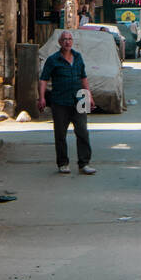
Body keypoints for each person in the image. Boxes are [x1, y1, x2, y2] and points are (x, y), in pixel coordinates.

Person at [39, 30, 96, 174]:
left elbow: (83, 77)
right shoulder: (53, 60)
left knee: (83, 131)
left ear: (72, 42)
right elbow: (44, 79)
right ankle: (63, 163)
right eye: (64, 39)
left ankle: (84, 164)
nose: (67, 42)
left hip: (79, 99)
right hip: (59, 101)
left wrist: (89, 96)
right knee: (60, 134)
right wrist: (42, 97)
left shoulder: (78, 57)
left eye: (70, 39)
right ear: (60, 42)